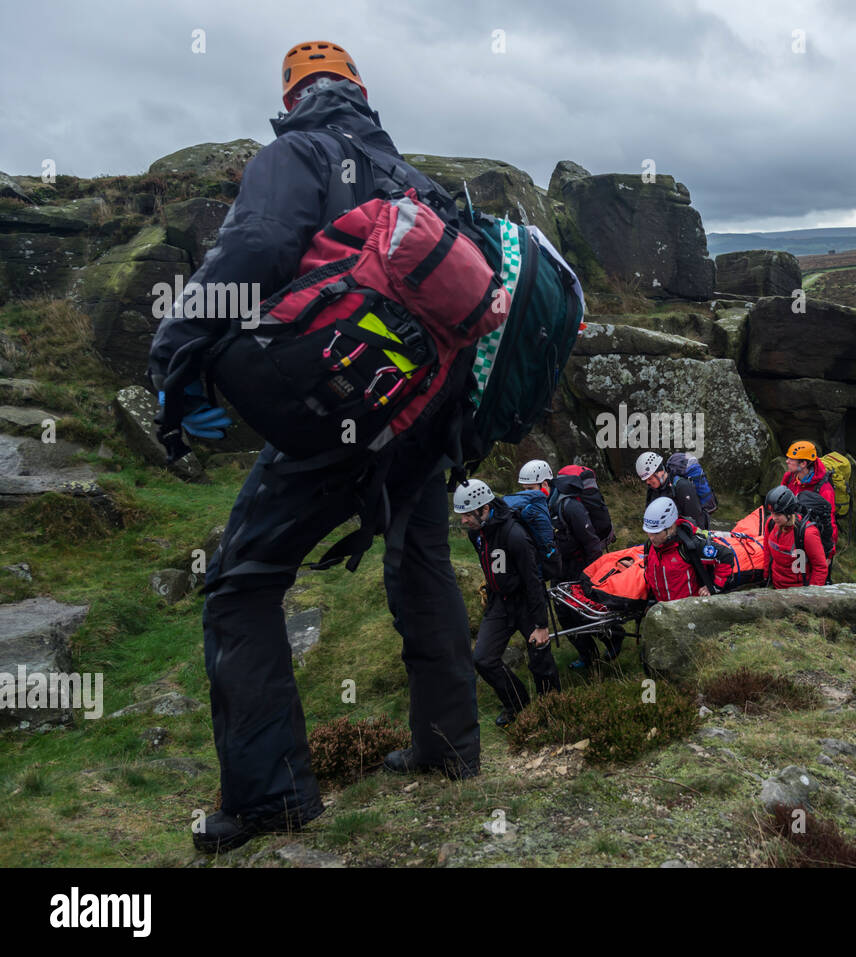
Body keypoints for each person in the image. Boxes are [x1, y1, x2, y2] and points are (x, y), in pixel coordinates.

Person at [147, 42, 480, 853]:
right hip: (422, 414)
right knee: (421, 560)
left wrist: (174, 359)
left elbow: (252, 250)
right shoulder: (418, 183)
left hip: (338, 405)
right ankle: (449, 750)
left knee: (240, 586)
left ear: (293, 98)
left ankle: (272, 801)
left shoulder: (294, 152)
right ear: (361, 94)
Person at [456, 479, 560, 726]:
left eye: (466, 515)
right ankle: (518, 704)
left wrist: (541, 625)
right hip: (500, 604)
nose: (463, 521)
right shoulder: (477, 534)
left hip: (526, 602)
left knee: (540, 658)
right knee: (482, 658)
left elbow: (533, 581)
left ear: (484, 509)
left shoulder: (515, 534)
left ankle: (553, 709)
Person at [519, 459, 620, 668]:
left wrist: (592, 575)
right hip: (558, 568)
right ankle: (588, 657)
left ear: (544, 484)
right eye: (524, 490)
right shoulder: (537, 508)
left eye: (530, 489)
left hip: (580, 567)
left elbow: (592, 543)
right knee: (564, 616)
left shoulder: (569, 505)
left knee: (584, 612)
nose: (526, 494)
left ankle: (613, 638)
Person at [642, 497, 734, 601]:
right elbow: (650, 575)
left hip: (687, 610)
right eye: (649, 532)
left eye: (657, 533)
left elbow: (726, 555)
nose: (651, 537)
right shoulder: (649, 546)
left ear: (671, 527)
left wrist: (714, 587)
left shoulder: (689, 546)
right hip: (664, 608)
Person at [780, 441, 838, 580]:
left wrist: (828, 555)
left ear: (803, 464)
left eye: (791, 459)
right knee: (796, 576)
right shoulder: (789, 478)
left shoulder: (824, 489)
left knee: (811, 576)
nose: (787, 461)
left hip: (813, 539)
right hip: (793, 535)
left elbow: (830, 523)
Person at [762, 486, 829, 588]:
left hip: (798, 591)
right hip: (776, 584)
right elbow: (767, 551)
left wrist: (810, 596)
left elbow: (820, 568)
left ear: (789, 512)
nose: (774, 517)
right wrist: (766, 576)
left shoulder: (807, 534)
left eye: (778, 514)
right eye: (772, 513)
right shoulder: (770, 524)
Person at [636, 451, 708, 529]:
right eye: (646, 480)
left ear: (660, 472)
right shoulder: (652, 489)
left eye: (650, 478)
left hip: (685, 535)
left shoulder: (681, 486)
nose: (648, 482)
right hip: (663, 536)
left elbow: (697, 520)